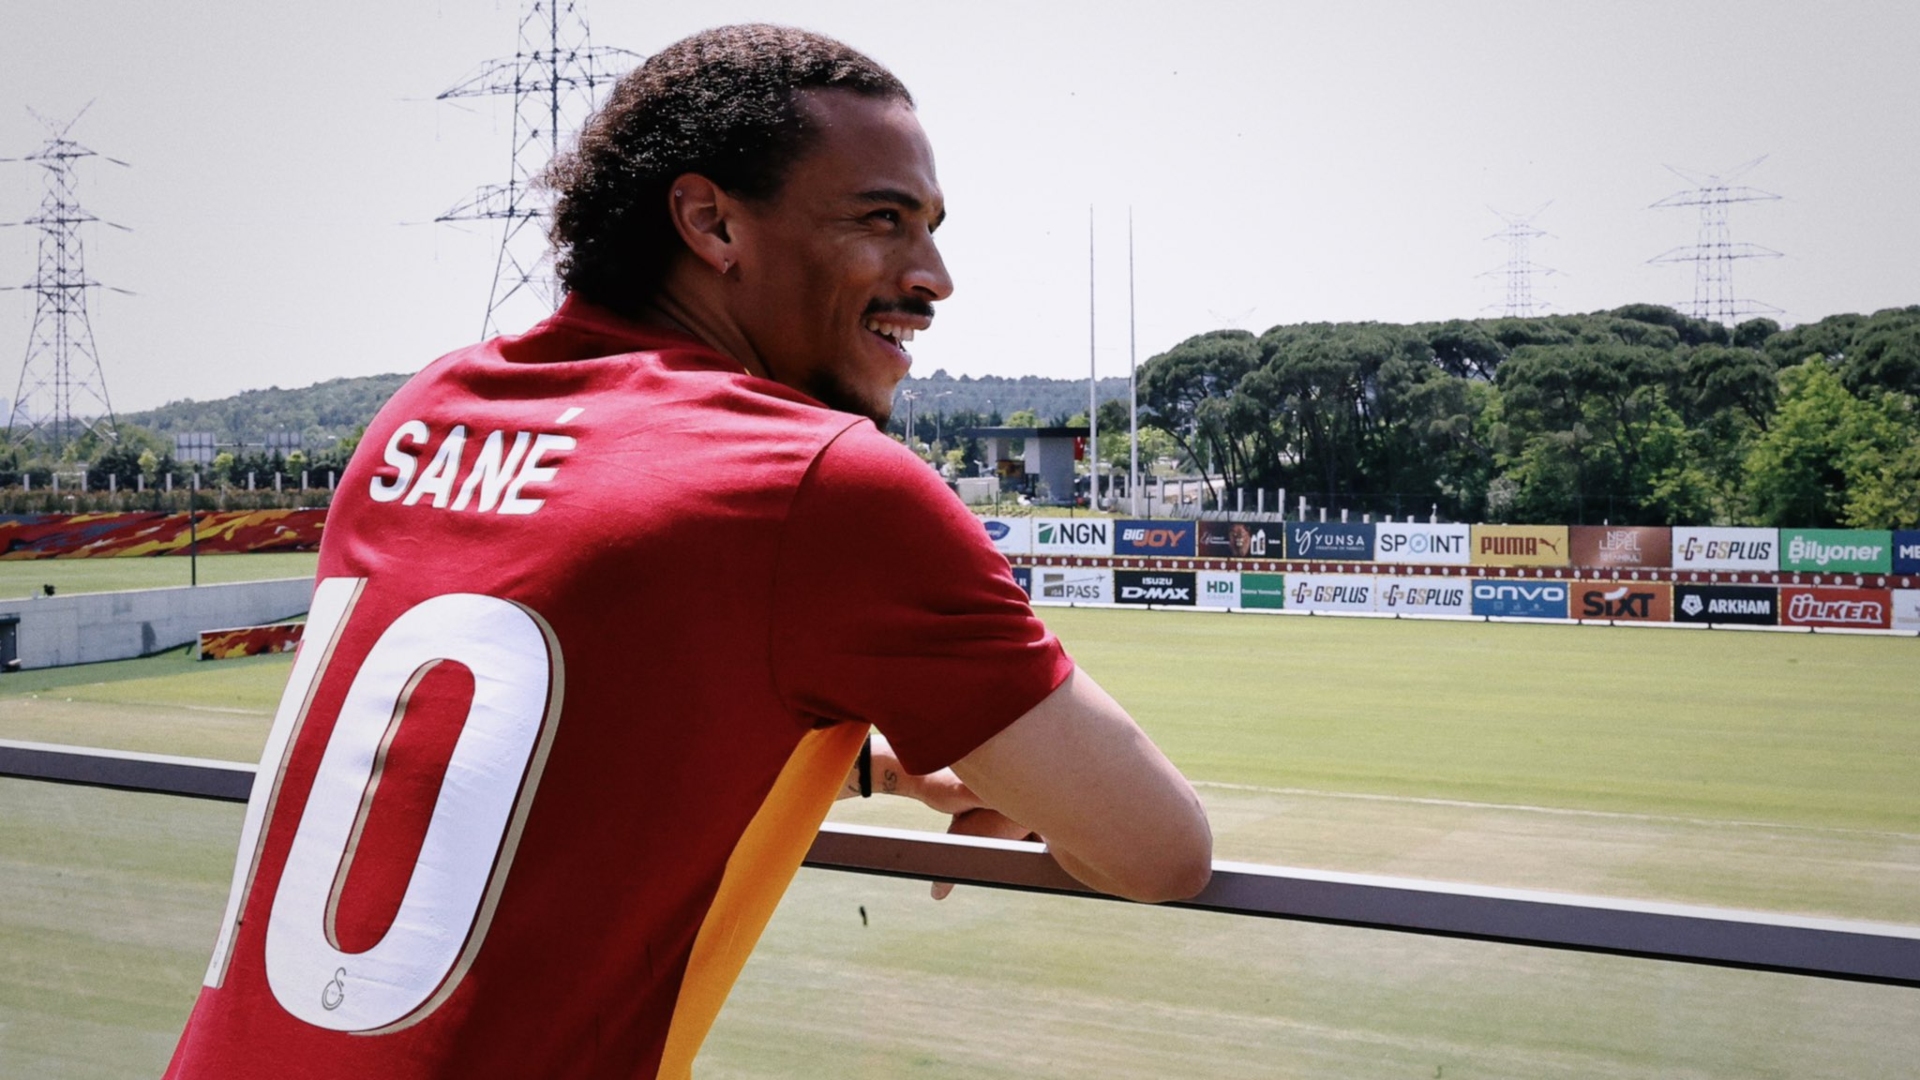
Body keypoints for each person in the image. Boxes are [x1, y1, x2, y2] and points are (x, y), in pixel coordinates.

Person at [164, 24, 1209, 1079]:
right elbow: (1159, 849)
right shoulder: (823, 481)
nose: (933, 276)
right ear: (711, 222)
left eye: (931, 229)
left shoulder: (426, 413)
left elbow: (533, 731)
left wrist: (864, 768)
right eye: (883, 222)